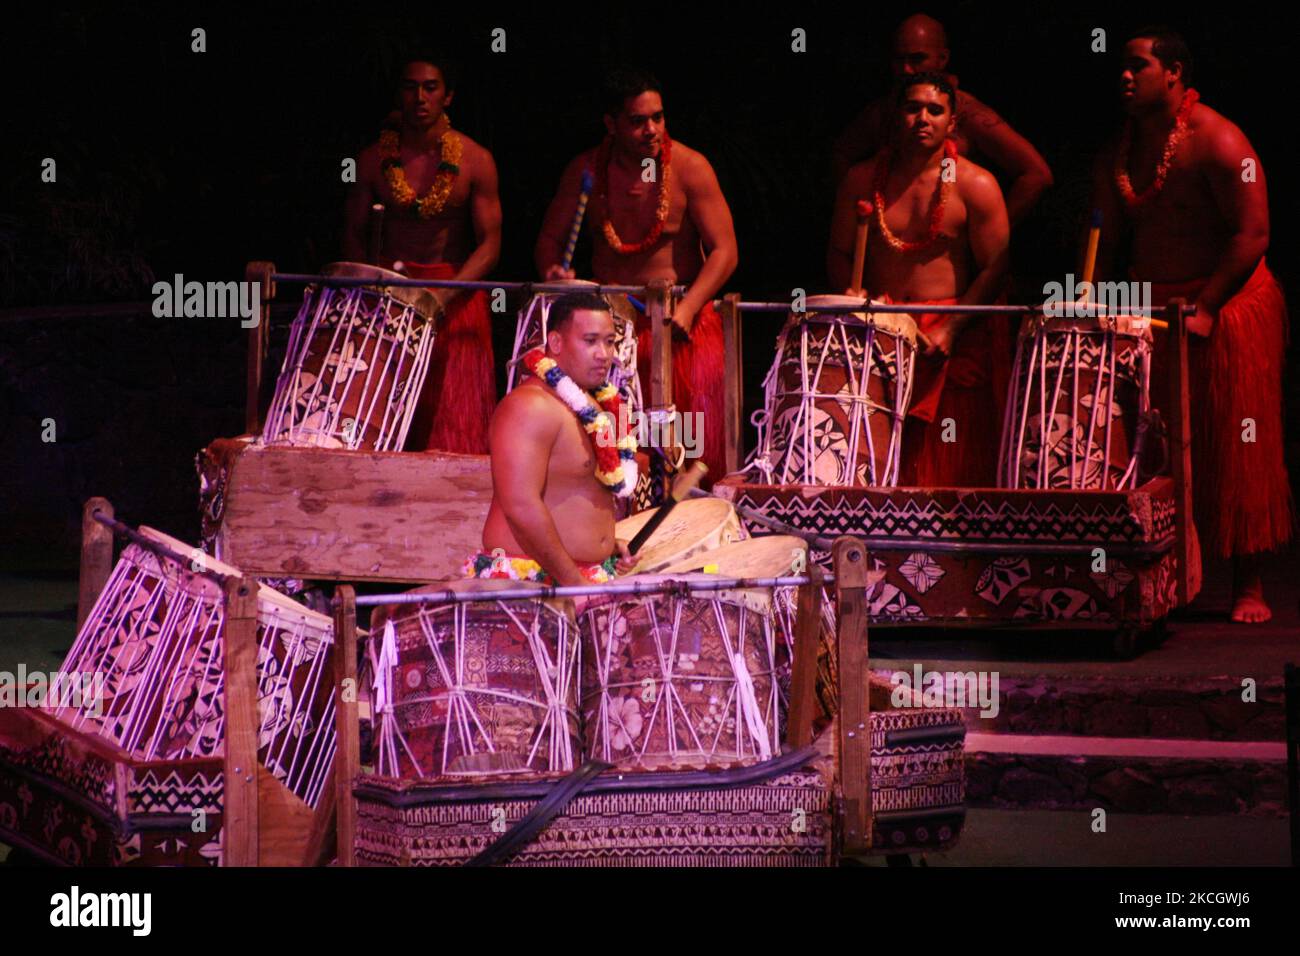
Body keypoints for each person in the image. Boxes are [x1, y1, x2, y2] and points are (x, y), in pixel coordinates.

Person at [1090, 27, 1292, 623]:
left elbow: (1253, 232)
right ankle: (1166, 576)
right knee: (1156, 451)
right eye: (1121, 67)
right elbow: (1101, 235)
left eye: (1138, 66)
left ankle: (1248, 585)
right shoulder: (1117, 152)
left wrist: (1206, 307)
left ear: (1175, 73)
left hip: (1225, 305)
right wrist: (1089, 302)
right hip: (1153, 312)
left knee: (1236, 446)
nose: (1124, 76)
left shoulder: (1221, 141)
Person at [535, 69, 738, 480]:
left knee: (684, 447)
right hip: (609, 333)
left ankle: (689, 523)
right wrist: (554, 273)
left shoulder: (689, 167)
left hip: (680, 327)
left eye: (658, 118)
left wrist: (688, 309)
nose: (652, 130)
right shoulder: (586, 172)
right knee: (620, 442)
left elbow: (725, 251)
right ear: (610, 124)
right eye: (638, 120)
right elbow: (549, 244)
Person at [828, 72, 1010, 486]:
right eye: (912, 108)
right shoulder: (861, 179)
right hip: (879, 331)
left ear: (952, 122)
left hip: (946, 336)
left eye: (934, 110)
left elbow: (996, 266)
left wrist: (952, 327)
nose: (922, 118)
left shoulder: (975, 184)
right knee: (875, 457)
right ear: (896, 116)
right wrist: (855, 300)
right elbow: (839, 252)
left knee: (949, 461)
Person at [343, 55, 502, 453]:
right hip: (387, 300)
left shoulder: (475, 159)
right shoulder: (370, 162)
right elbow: (351, 233)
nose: (420, 96)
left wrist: (442, 297)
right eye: (410, 86)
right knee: (384, 422)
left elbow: (491, 244)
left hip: (455, 295)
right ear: (399, 93)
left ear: (447, 96)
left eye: (430, 87)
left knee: (455, 427)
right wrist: (375, 291)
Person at [473, 292, 639, 587]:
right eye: (590, 341)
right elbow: (521, 506)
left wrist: (605, 544)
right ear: (557, 343)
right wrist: (574, 581)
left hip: (580, 577)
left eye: (610, 341)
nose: (604, 354)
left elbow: (572, 494)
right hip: (533, 583)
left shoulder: (593, 404)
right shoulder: (530, 407)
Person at [831, 13, 1051, 225]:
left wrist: (993, 233)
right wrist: (858, 216)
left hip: (948, 246)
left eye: (917, 58)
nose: (906, 69)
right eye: (899, 59)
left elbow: (1036, 174)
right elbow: (841, 154)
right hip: (891, 243)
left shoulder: (969, 113)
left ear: (942, 59)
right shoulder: (884, 111)